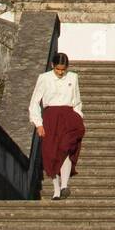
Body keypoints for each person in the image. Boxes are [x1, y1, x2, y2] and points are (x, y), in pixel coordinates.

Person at [28, 52, 85, 200]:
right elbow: (35, 101)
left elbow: (77, 99)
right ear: (53, 66)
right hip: (50, 117)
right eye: (58, 69)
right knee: (51, 152)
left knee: (66, 148)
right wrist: (38, 123)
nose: (60, 72)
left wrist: (78, 115)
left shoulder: (73, 77)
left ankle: (64, 184)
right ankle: (56, 189)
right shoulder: (44, 78)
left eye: (63, 69)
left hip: (68, 116)